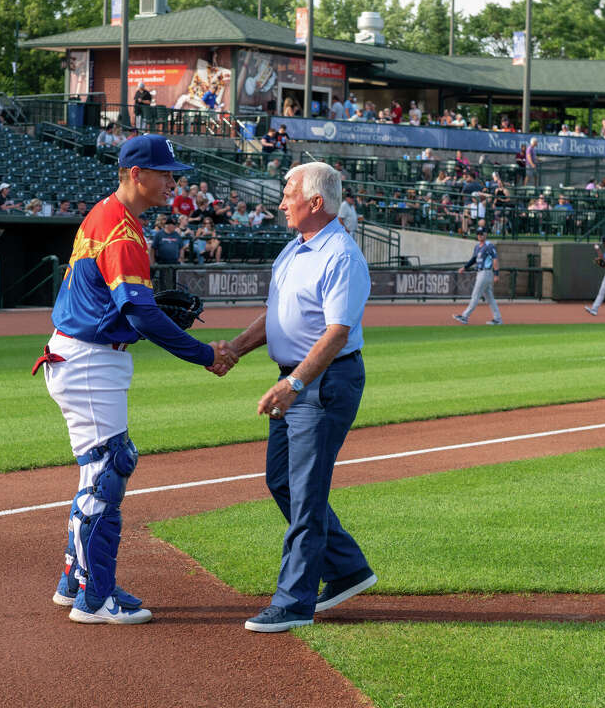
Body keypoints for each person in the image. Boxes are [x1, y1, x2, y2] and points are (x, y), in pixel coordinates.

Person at [40, 134, 236, 625]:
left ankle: (75, 579)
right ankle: (95, 598)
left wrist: (138, 319)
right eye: (165, 172)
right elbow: (141, 313)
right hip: (89, 360)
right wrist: (203, 354)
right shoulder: (123, 232)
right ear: (136, 174)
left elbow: (121, 308)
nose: (174, 181)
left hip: (82, 354)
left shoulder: (107, 214)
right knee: (110, 468)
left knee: (97, 470)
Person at [222, 161, 377, 633]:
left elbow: (336, 334)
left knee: (307, 493)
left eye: (289, 192)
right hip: (296, 380)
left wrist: (295, 384)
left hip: (323, 382)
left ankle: (294, 601)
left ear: (316, 203)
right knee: (282, 482)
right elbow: (275, 317)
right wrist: (233, 349)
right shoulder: (294, 249)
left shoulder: (342, 256)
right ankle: (348, 568)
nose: (281, 200)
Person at [452, 229, 502, 325]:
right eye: (478, 234)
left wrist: (496, 274)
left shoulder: (489, 246)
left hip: (485, 272)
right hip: (480, 273)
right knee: (489, 298)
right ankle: (498, 318)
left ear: (485, 234)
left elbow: (495, 260)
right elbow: (474, 259)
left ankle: (465, 316)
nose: (479, 236)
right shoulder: (477, 247)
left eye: (481, 234)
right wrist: (465, 267)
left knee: (475, 295)